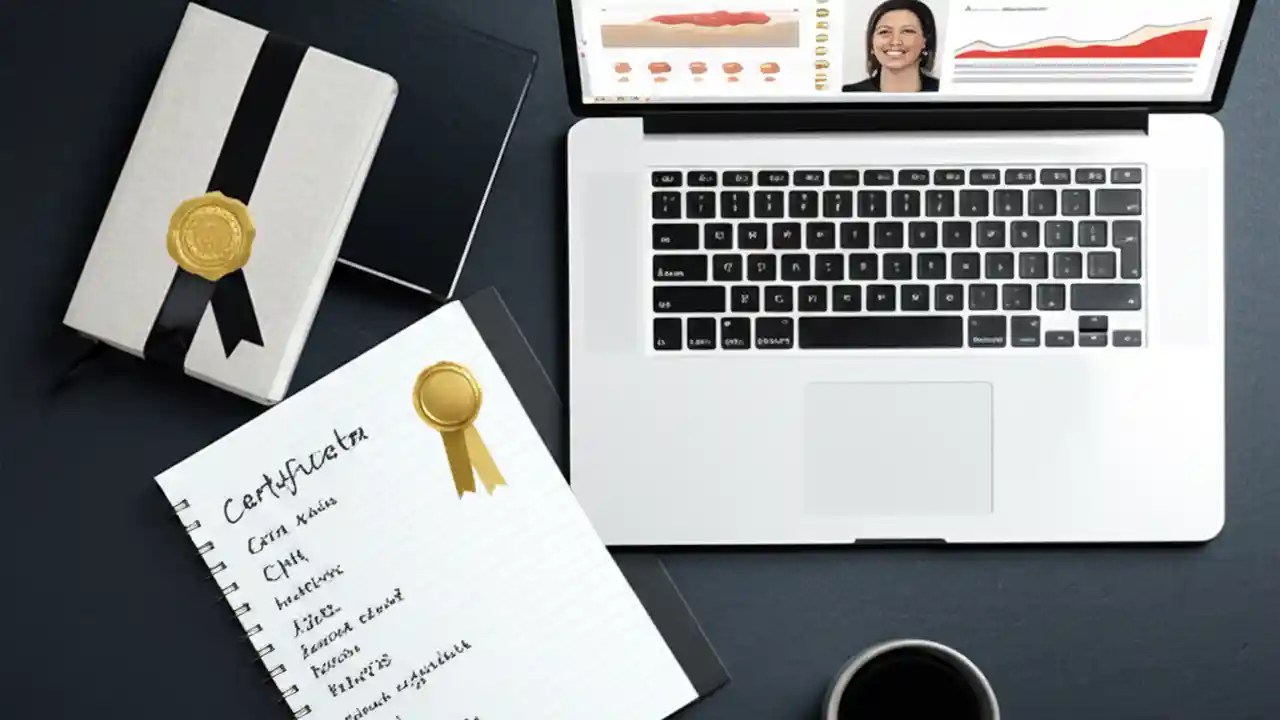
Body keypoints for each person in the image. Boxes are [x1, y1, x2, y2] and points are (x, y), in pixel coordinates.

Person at [843, 0, 940, 93]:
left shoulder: (948, 95)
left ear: (925, 41)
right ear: (871, 42)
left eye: (907, 31)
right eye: (884, 32)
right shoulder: (846, 97)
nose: (895, 41)